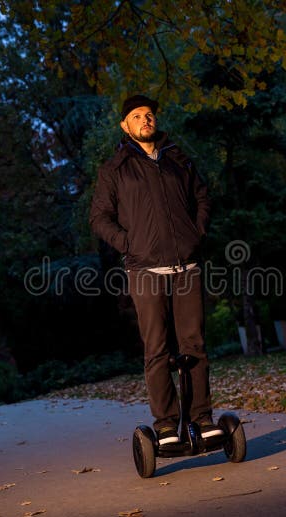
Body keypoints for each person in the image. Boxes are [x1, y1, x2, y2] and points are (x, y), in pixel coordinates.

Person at [90, 94, 222, 450]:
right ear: (125, 125)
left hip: (187, 267)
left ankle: (202, 418)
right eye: (137, 116)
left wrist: (197, 232)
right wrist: (128, 243)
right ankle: (165, 426)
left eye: (149, 114)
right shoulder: (114, 169)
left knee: (194, 346)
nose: (145, 120)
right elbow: (99, 218)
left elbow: (202, 198)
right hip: (145, 270)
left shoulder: (179, 159)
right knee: (158, 350)